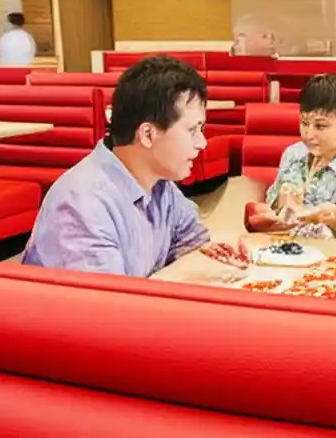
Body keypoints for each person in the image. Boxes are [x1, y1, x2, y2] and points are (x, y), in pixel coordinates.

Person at [20, 56, 211, 276]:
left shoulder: (159, 185)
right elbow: (107, 305)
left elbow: (197, 245)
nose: (202, 143)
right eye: (192, 131)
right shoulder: (83, 205)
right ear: (147, 134)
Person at [246, 73, 336, 238]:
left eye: (320, 126)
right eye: (304, 123)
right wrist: (281, 203)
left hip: (334, 259)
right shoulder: (292, 154)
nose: (308, 134)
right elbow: (273, 215)